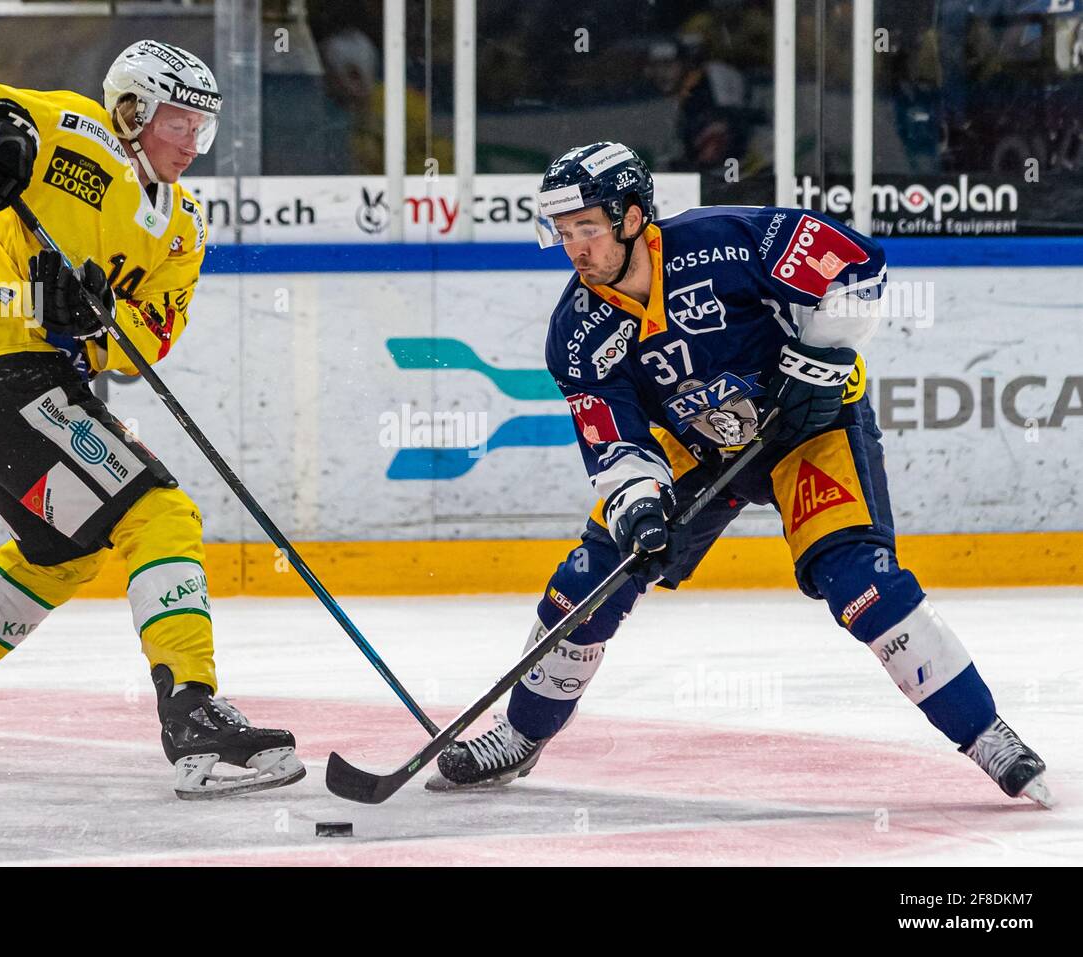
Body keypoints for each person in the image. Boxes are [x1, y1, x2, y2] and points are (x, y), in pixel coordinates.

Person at [427, 142, 1053, 808]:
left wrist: (820, 360)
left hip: (809, 429)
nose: (574, 246)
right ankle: (521, 734)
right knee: (596, 574)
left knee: (860, 583)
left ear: (634, 216)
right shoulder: (576, 334)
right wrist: (639, 507)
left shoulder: (720, 241)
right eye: (564, 230)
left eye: (588, 226)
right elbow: (617, 443)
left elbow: (856, 264)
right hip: (698, 444)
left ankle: (987, 733)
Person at [0, 41, 305, 799]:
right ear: (132, 110)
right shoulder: (69, 127)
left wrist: (100, 322)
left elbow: (148, 342)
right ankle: (192, 711)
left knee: (60, 548)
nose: (192, 141)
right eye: (177, 121)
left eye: (203, 126)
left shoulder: (184, 228)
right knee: (159, 512)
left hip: (1, 382)